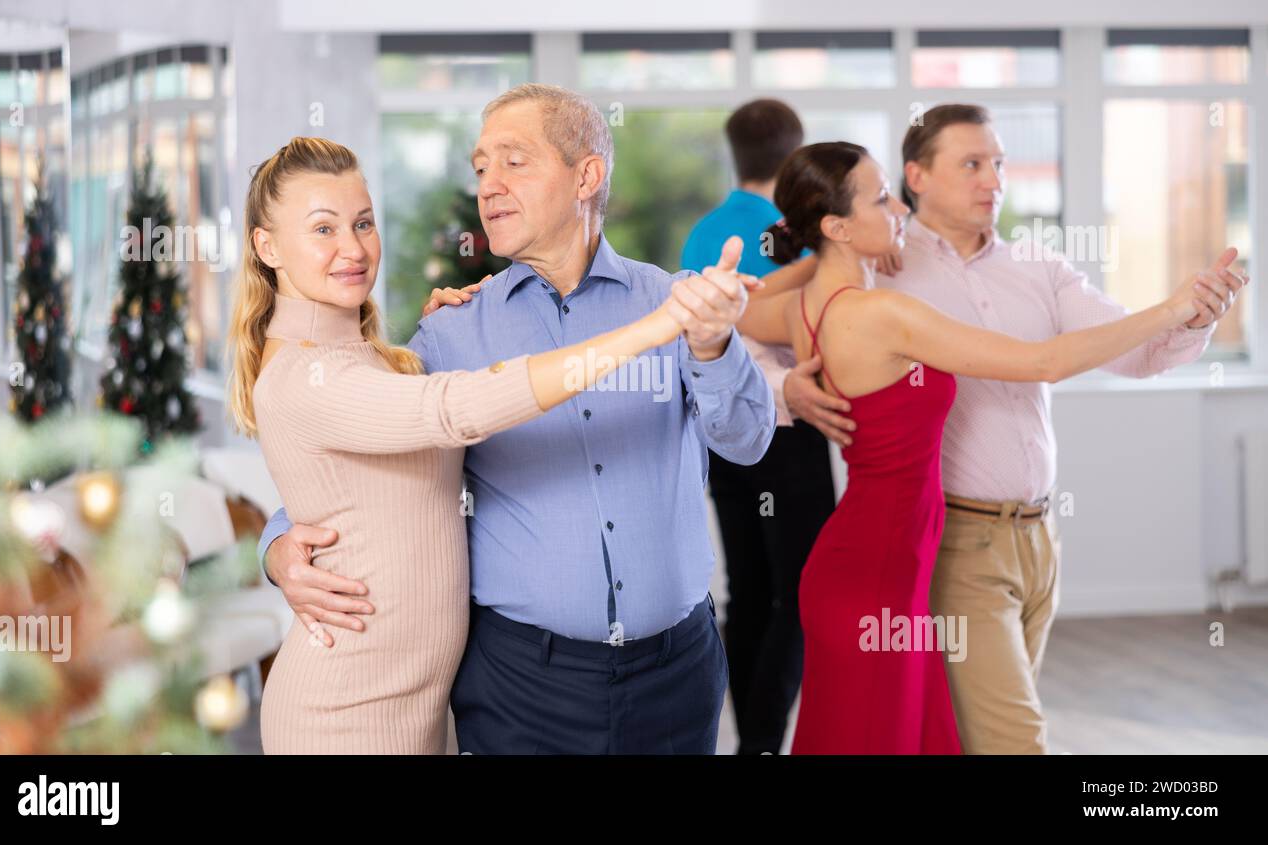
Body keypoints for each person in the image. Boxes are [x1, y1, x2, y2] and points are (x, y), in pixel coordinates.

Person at [258, 85, 777, 754]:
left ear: (585, 175)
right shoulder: (451, 332)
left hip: (675, 676)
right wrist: (278, 546)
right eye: (480, 167)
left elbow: (748, 439)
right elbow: (350, 455)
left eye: (513, 161)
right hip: (520, 688)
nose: (489, 186)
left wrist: (712, 345)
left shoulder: (675, 303)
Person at [738, 140, 1242, 753]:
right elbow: (1043, 361)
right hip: (877, 578)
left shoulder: (807, 307)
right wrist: (1172, 309)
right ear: (838, 225)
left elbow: (744, 309)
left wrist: (824, 255)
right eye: (880, 198)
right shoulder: (883, 314)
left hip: (872, 568)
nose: (899, 208)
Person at [680, 99, 835, 754]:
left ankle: (751, 743)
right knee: (801, 597)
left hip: (722, 435)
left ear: (735, 152)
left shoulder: (701, 233)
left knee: (747, 593)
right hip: (789, 428)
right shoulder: (796, 234)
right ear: (796, 155)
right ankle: (765, 742)